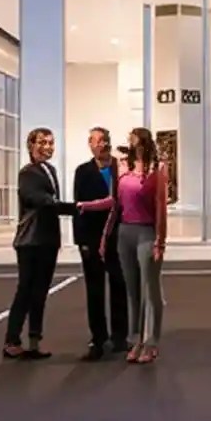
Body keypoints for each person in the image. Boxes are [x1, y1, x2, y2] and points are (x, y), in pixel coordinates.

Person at [3, 127, 79, 360]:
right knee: (25, 290)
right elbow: (41, 201)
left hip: (47, 240)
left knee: (40, 293)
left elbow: (50, 202)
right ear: (31, 146)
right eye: (42, 142)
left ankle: (34, 341)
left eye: (50, 142)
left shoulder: (50, 170)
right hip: (30, 241)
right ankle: (12, 340)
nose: (47, 147)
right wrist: (78, 208)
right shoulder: (28, 173)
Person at [100, 127, 168, 365]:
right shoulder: (122, 167)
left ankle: (151, 342)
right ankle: (136, 339)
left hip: (147, 232)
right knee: (132, 290)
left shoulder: (157, 169)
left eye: (135, 142)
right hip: (125, 232)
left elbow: (161, 206)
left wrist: (161, 239)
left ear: (144, 144)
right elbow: (115, 204)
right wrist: (105, 235)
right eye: (129, 141)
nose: (131, 146)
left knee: (150, 290)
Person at [71, 127, 130, 361]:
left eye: (105, 140)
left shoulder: (122, 168)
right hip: (92, 240)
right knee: (94, 291)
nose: (102, 145)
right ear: (90, 144)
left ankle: (119, 337)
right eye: (97, 141)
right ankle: (98, 338)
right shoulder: (82, 172)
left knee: (119, 287)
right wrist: (81, 241)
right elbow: (79, 208)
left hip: (119, 237)